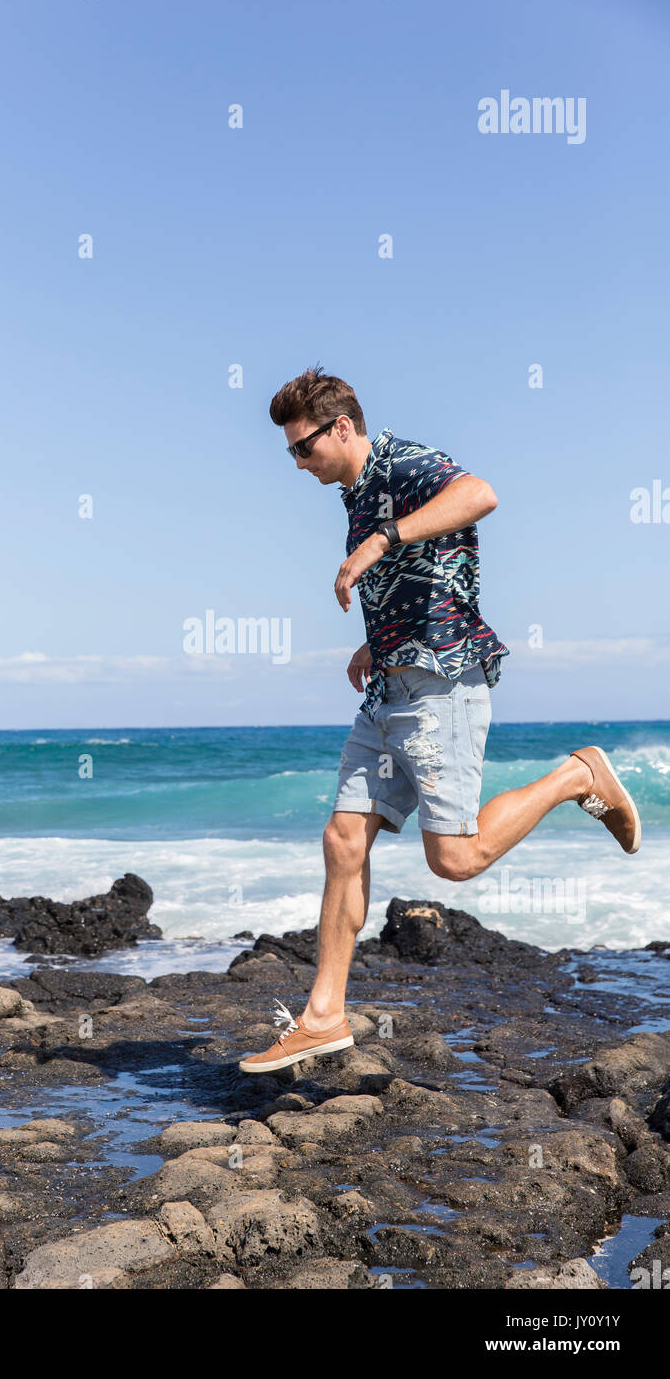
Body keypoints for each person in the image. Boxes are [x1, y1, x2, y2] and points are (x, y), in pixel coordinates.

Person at [239, 365, 640, 1074]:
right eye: (290, 453)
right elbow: (428, 575)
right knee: (343, 840)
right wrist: (377, 637)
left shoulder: (405, 462)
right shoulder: (356, 493)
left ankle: (577, 775)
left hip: (442, 686)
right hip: (388, 689)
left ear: (341, 427)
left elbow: (480, 495)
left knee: (454, 858)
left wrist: (380, 541)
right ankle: (324, 1016)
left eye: (303, 448)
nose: (298, 464)